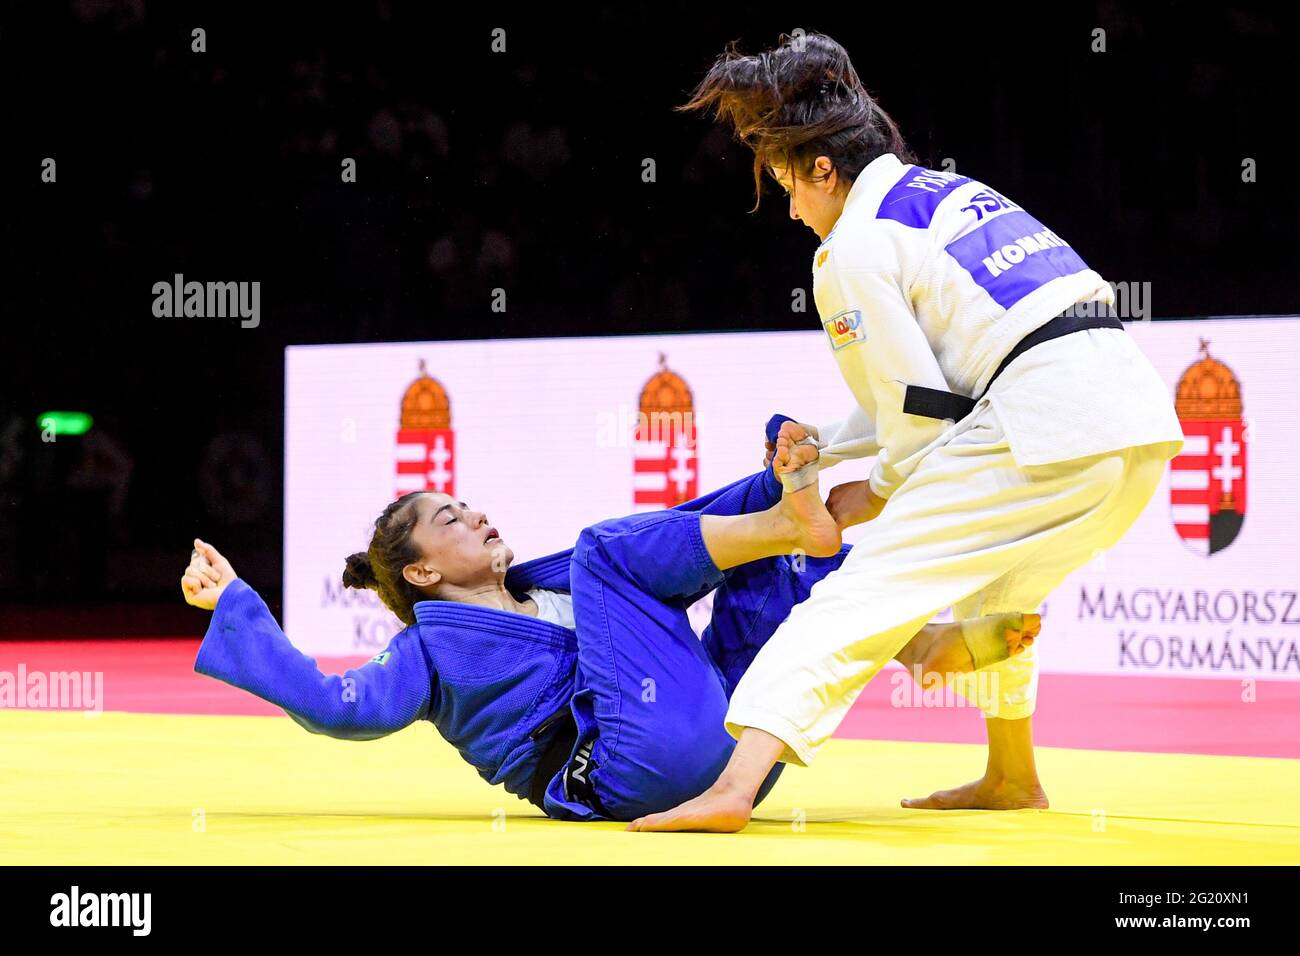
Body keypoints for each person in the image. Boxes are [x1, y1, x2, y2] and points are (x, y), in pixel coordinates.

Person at [628, 33, 1182, 832]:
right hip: (1130, 421)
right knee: (1005, 587)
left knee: (861, 589)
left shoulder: (848, 251)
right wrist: (829, 438)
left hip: (1041, 422)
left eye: (787, 184)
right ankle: (1009, 768)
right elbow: (939, 388)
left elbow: (921, 418)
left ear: (824, 169)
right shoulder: (949, 194)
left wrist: (869, 495)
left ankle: (732, 788)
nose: (789, 209)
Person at [181, 416, 1036, 822]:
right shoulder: (429, 650)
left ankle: (909, 634)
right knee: (610, 549)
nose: (476, 514)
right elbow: (338, 707)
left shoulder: (542, 589)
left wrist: (768, 490)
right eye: (452, 518)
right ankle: (795, 518)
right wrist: (237, 605)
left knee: (747, 552)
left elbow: (689, 541)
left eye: (469, 503)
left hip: (729, 744)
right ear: (422, 571)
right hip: (627, 769)